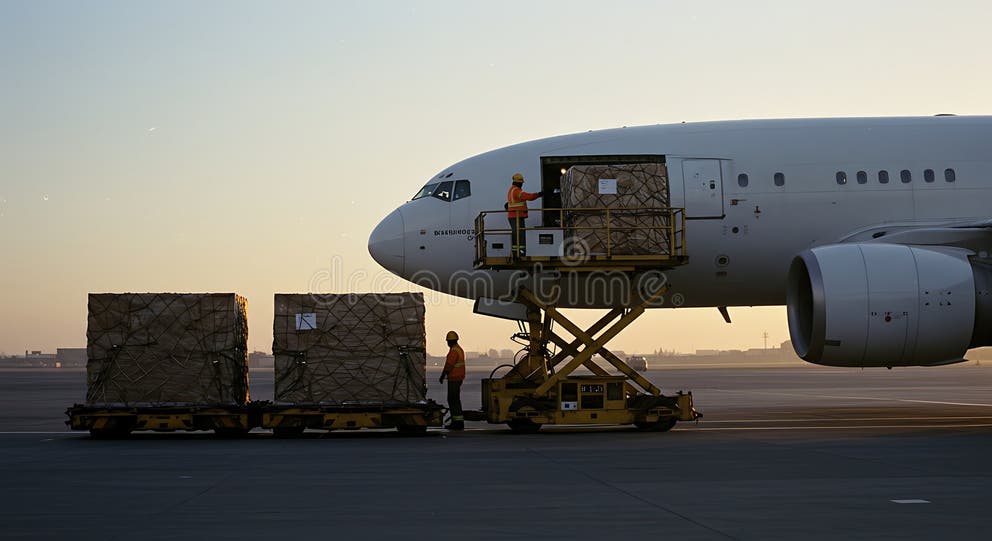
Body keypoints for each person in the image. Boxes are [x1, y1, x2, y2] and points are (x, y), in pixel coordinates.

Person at [506, 173, 543, 257]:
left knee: (517, 234)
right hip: (516, 216)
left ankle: (517, 252)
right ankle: (521, 252)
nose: (522, 184)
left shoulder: (511, 190)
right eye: (521, 183)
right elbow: (529, 197)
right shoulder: (516, 191)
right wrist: (539, 194)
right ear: (518, 182)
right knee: (520, 234)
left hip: (514, 216)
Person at [439, 330, 466, 430]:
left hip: (454, 378)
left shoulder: (454, 351)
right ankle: (457, 421)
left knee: (453, 400)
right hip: (458, 378)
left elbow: (449, 365)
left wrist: (442, 375)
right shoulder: (459, 349)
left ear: (450, 341)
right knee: (455, 399)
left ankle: (457, 423)